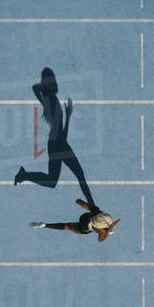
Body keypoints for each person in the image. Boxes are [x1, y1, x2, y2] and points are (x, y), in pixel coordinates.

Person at [14, 67, 96, 208]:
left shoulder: (49, 99)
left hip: (55, 144)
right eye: (52, 81)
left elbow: (35, 88)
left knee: (53, 181)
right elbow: (62, 135)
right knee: (79, 174)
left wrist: (43, 86)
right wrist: (69, 116)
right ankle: (93, 207)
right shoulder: (51, 101)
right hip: (59, 144)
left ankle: (24, 175)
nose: (56, 83)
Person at [31, 198, 120, 242]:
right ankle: (44, 225)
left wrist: (78, 201)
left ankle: (77, 201)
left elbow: (79, 201)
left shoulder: (99, 213)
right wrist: (107, 232)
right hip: (85, 227)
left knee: (94, 208)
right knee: (67, 226)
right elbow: (100, 240)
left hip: (85, 217)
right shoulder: (102, 231)